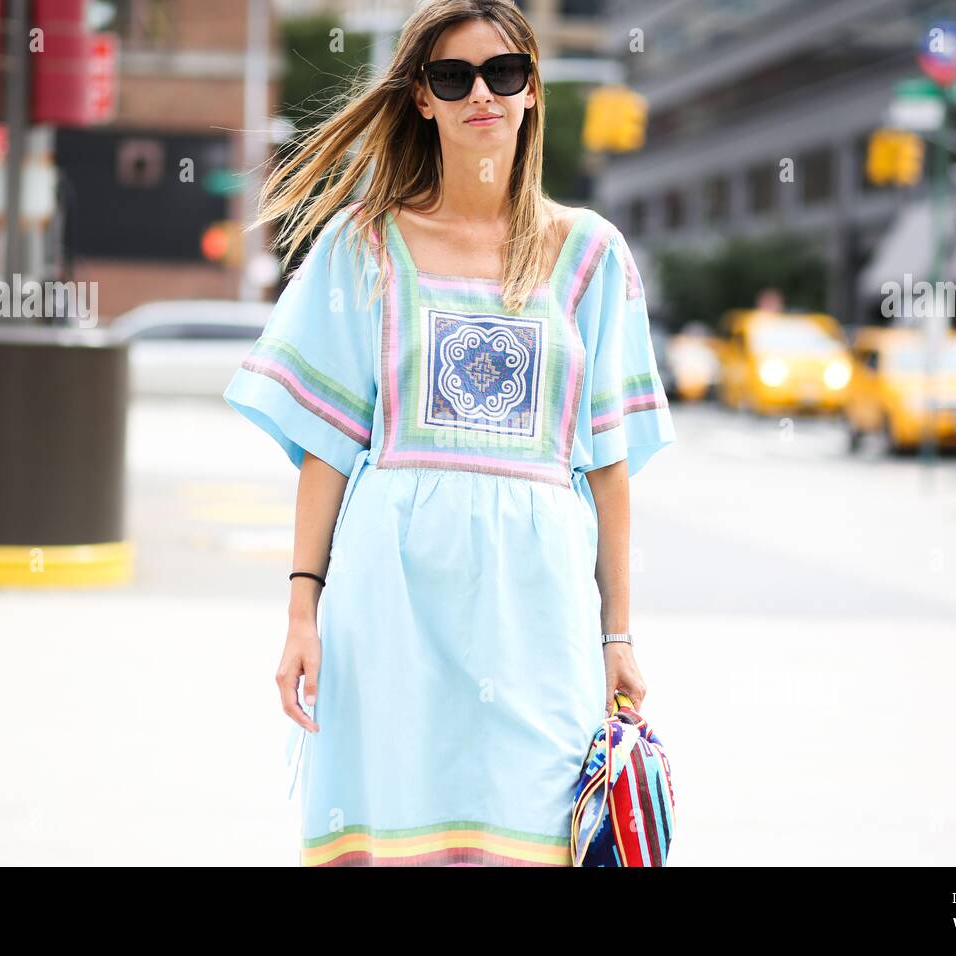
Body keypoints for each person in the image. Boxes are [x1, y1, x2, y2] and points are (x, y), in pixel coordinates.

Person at [223, 0, 675, 867]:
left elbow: (610, 466)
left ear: (533, 91)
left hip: (538, 607)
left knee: (534, 836)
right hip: (390, 596)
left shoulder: (590, 255)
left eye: (503, 74)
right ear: (422, 98)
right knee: (397, 835)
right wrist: (300, 614)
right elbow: (326, 447)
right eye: (452, 75)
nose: (482, 94)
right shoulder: (362, 246)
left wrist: (618, 635)